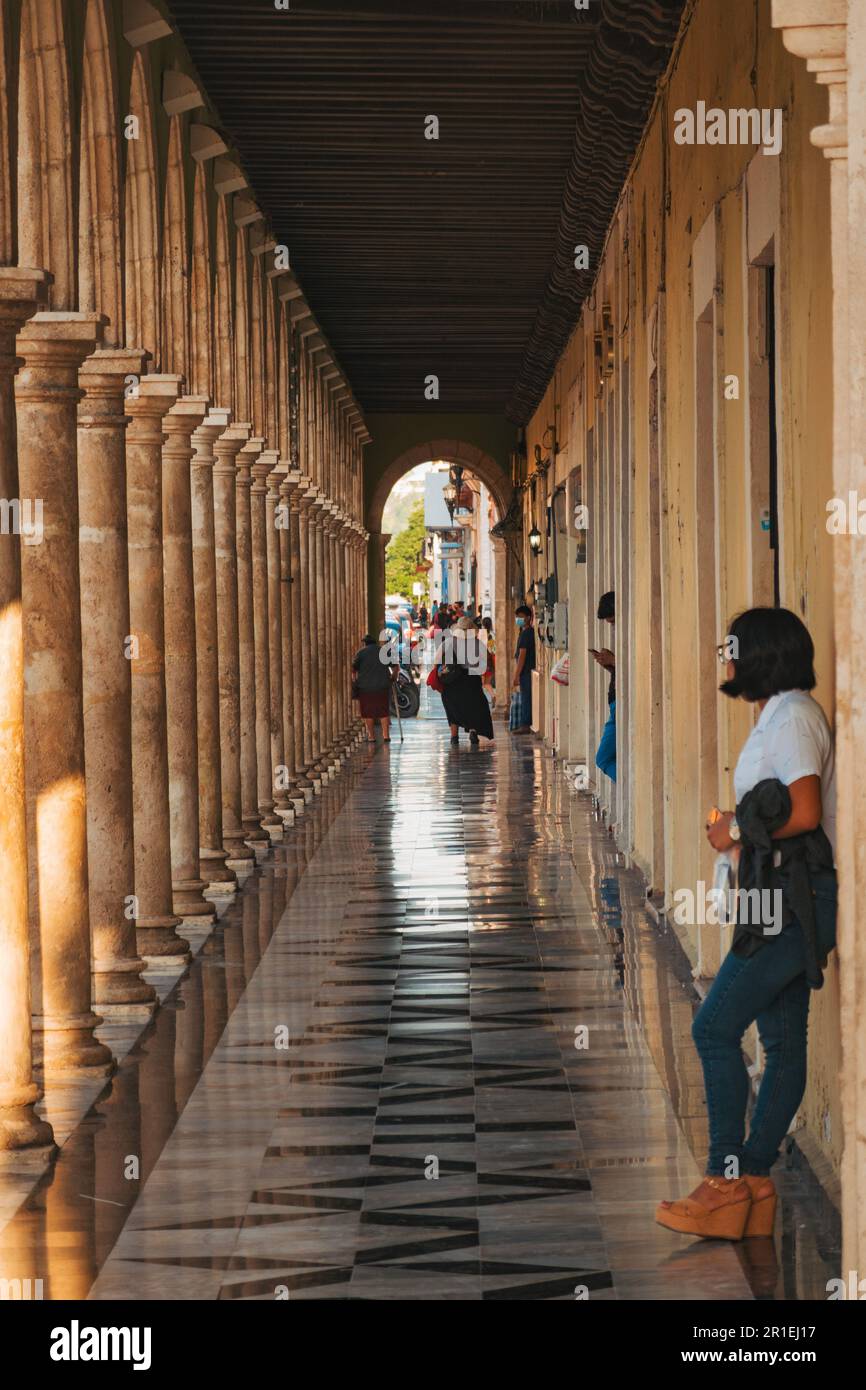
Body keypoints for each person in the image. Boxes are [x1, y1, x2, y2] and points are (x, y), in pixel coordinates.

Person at [656, 608, 837, 1242]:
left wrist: (732, 828)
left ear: (761, 654)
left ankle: (726, 1180)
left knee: (713, 1028)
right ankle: (753, 1184)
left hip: (789, 900)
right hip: (780, 895)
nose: (724, 660)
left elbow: (806, 809)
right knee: (783, 1045)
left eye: (730, 648)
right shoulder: (781, 714)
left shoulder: (790, 717)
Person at [438, 615, 494, 746]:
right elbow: (488, 661)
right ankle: (473, 732)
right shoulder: (477, 644)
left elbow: (438, 662)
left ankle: (454, 736)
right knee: (473, 707)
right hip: (472, 680)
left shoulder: (449, 642)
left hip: (452, 681)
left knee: (453, 708)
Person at [352, 633, 395, 744]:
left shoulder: (361, 653)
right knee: (383, 712)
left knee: (368, 713)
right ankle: (386, 735)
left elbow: (353, 669)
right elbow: (395, 666)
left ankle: (371, 736)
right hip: (382, 686)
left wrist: (355, 681)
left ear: (365, 643)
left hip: (365, 688)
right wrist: (393, 677)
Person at [591, 591, 616, 781]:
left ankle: (630, 784)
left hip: (618, 707)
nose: (613, 627)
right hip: (615, 704)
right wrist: (609, 664)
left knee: (602, 759)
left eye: (613, 621)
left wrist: (614, 660)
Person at [511, 604, 535, 733]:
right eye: (517, 617)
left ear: (528, 618)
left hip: (526, 672)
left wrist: (516, 675)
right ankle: (525, 723)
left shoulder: (527, 634)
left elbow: (522, 655)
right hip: (526, 671)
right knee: (526, 697)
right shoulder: (525, 632)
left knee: (526, 699)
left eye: (520, 617)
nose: (518, 619)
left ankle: (526, 724)